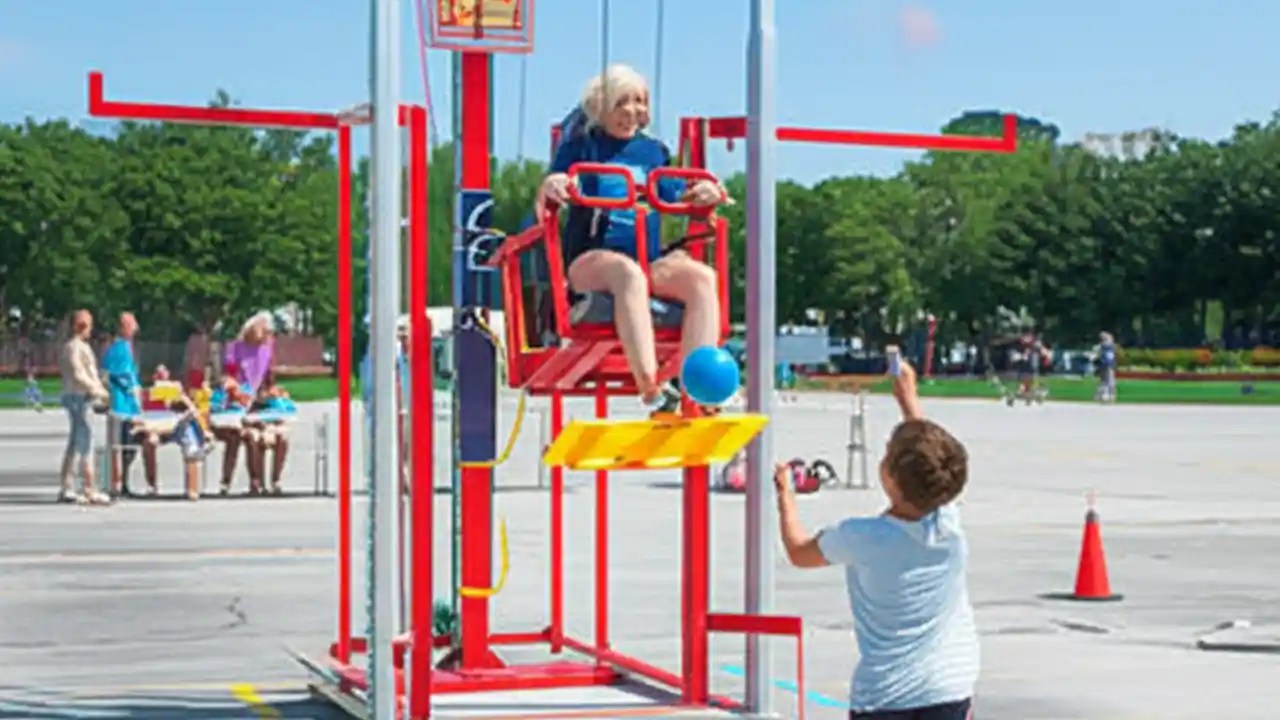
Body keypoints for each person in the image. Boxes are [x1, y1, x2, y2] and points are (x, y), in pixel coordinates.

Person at [773, 359, 977, 719]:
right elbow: (930, 463)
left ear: (890, 480)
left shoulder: (862, 537)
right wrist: (907, 398)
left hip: (887, 697)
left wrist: (785, 498)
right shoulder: (948, 525)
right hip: (951, 685)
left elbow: (798, 552)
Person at [537, 64, 731, 414]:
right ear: (601, 107)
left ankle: (695, 389)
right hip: (592, 261)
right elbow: (554, 182)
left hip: (646, 258)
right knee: (627, 274)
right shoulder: (583, 146)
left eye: (639, 102)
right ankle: (650, 386)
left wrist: (705, 191)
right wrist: (556, 184)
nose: (632, 111)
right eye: (621, 103)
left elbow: (676, 192)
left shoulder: (654, 152)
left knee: (702, 278)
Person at [213, 312, 284, 494]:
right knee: (250, 437)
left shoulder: (266, 351)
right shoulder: (235, 348)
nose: (267, 337)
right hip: (236, 404)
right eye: (265, 332)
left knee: (282, 436)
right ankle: (253, 481)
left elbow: (268, 381)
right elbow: (227, 377)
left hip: (257, 404)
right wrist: (234, 389)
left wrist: (271, 392)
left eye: (269, 333)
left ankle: (275, 481)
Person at [58, 309, 112, 505]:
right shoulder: (75, 347)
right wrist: (98, 390)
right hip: (79, 397)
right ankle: (90, 488)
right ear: (81, 325)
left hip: (78, 396)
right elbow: (79, 374)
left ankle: (68, 486)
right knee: (86, 442)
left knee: (76, 442)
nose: (91, 329)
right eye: (88, 324)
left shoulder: (78, 346)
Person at [101, 312, 143, 496]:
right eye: (131, 324)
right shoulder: (119, 348)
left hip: (129, 405)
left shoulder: (127, 347)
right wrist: (134, 390)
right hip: (120, 404)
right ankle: (117, 483)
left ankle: (123, 481)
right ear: (123, 326)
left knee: (130, 445)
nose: (135, 328)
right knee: (119, 445)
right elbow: (120, 375)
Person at [1096, 331, 1118, 403]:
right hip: (1106, 365)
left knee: (1108, 381)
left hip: (1108, 365)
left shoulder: (1107, 347)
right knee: (1106, 381)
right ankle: (1105, 395)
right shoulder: (1105, 346)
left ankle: (1107, 395)